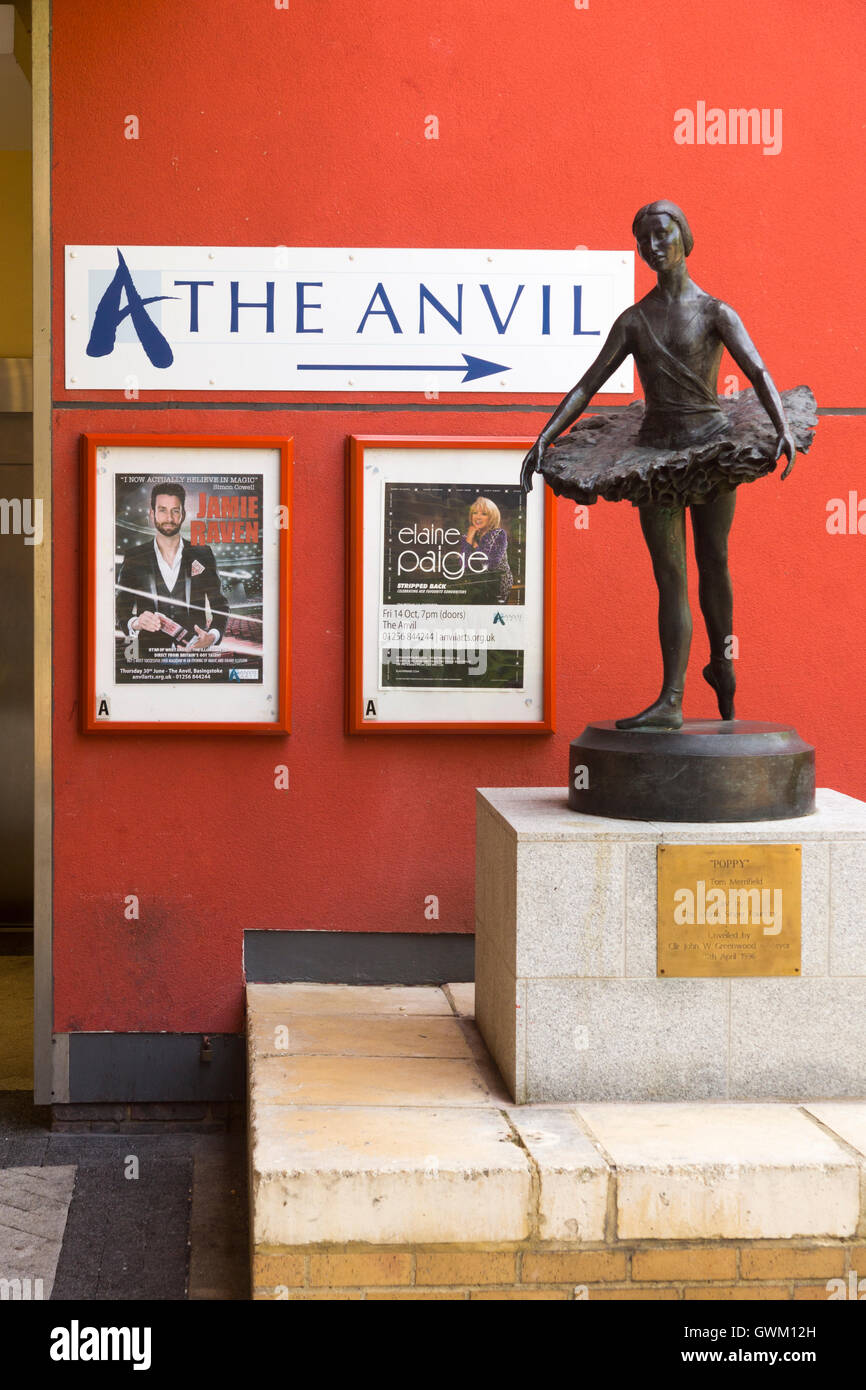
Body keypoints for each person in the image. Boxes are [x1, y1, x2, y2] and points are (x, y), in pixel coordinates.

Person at [520, 199, 816, 729]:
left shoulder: (715, 312)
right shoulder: (635, 321)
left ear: (684, 237)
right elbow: (588, 383)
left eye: (662, 235)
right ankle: (671, 700)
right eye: (644, 240)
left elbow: (757, 369)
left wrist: (784, 428)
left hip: (711, 452)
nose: (654, 247)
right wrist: (544, 436)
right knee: (670, 577)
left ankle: (722, 666)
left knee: (714, 564)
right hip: (654, 458)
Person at [116, 482, 229, 659]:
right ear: (152, 514)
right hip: (148, 658)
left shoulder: (203, 553)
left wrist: (212, 636)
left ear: (182, 514)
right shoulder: (134, 556)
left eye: (175, 510)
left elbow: (220, 605)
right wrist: (136, 622)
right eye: (162, 510)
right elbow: (121, 607)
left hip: (194, 655)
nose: (169, 517)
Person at [458, 496, 513, 603]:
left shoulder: (498, 534)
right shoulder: (468, 536)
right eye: (475, 513)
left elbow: (490, 565)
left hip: (496, 584)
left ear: (491, 517)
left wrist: (474, 545)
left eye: (483, 514)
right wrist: (469, 540)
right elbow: (462, 565)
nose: (477, 517)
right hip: (475, 584)